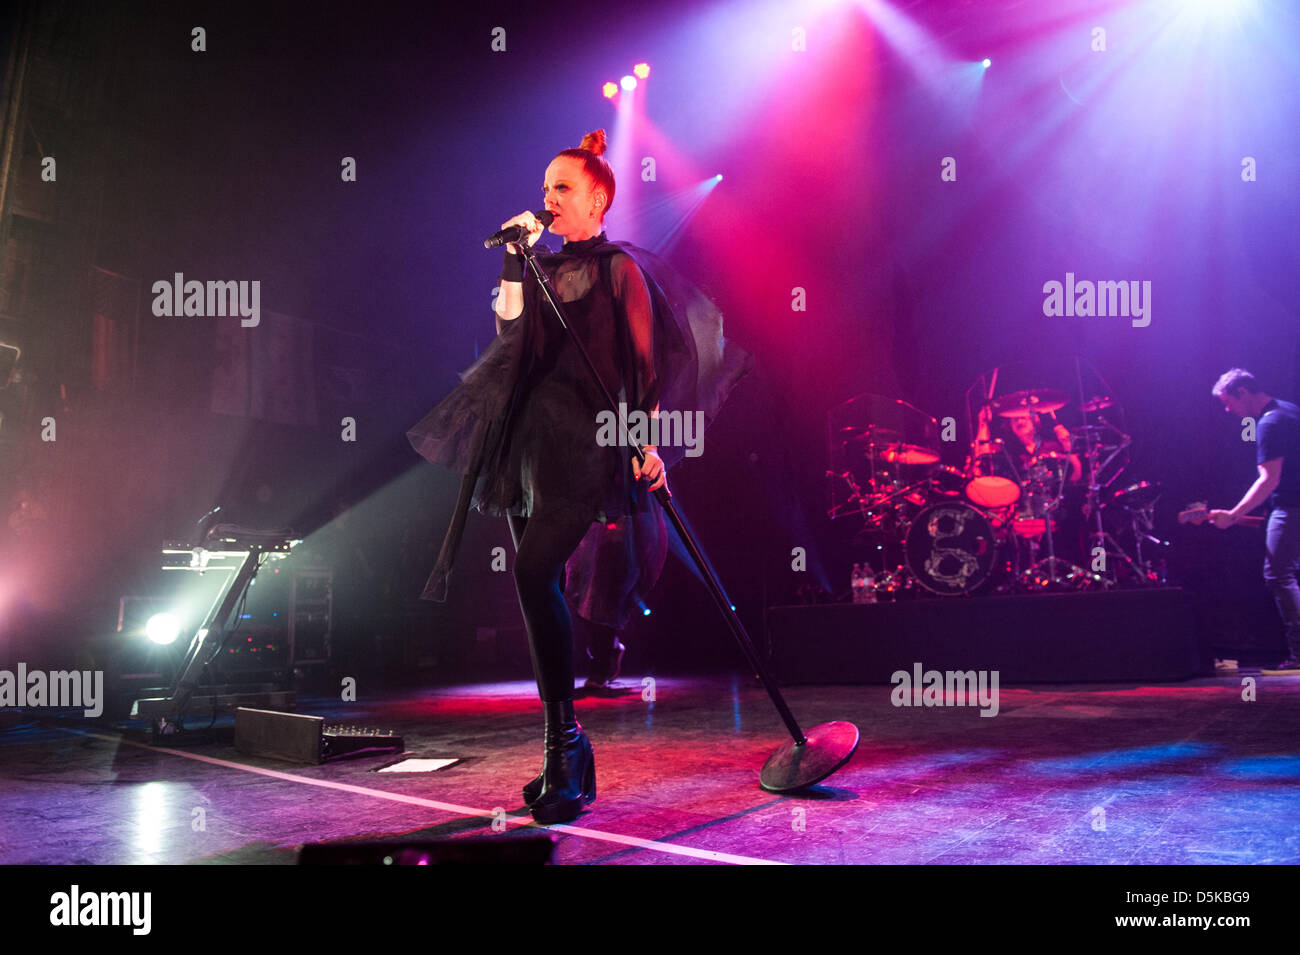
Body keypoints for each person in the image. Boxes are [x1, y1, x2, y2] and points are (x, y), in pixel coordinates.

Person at [407, 130, 750, 824]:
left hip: (588, 445)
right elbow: (509, 333)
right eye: (544, 190)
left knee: (533, 574)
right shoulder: (541, 266)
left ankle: (566, 745)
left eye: (561, 188)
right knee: (537, 585)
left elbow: (646, 364)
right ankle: (561, 750)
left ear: (598, 199)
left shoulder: (619, 268)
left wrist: (646, 439)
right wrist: (514, 256)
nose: (548, 200)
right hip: (528, 441)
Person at [1209, 368, 1300, 672]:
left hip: (1292, 506)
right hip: (1289, 505)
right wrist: (1239, 519)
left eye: (1228, 402)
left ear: (1243, 393)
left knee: (1278, 575)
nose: (1227, 410)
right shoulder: (1288, 410)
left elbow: (1269, 480)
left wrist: (1233, 515)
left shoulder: (1270, 422)